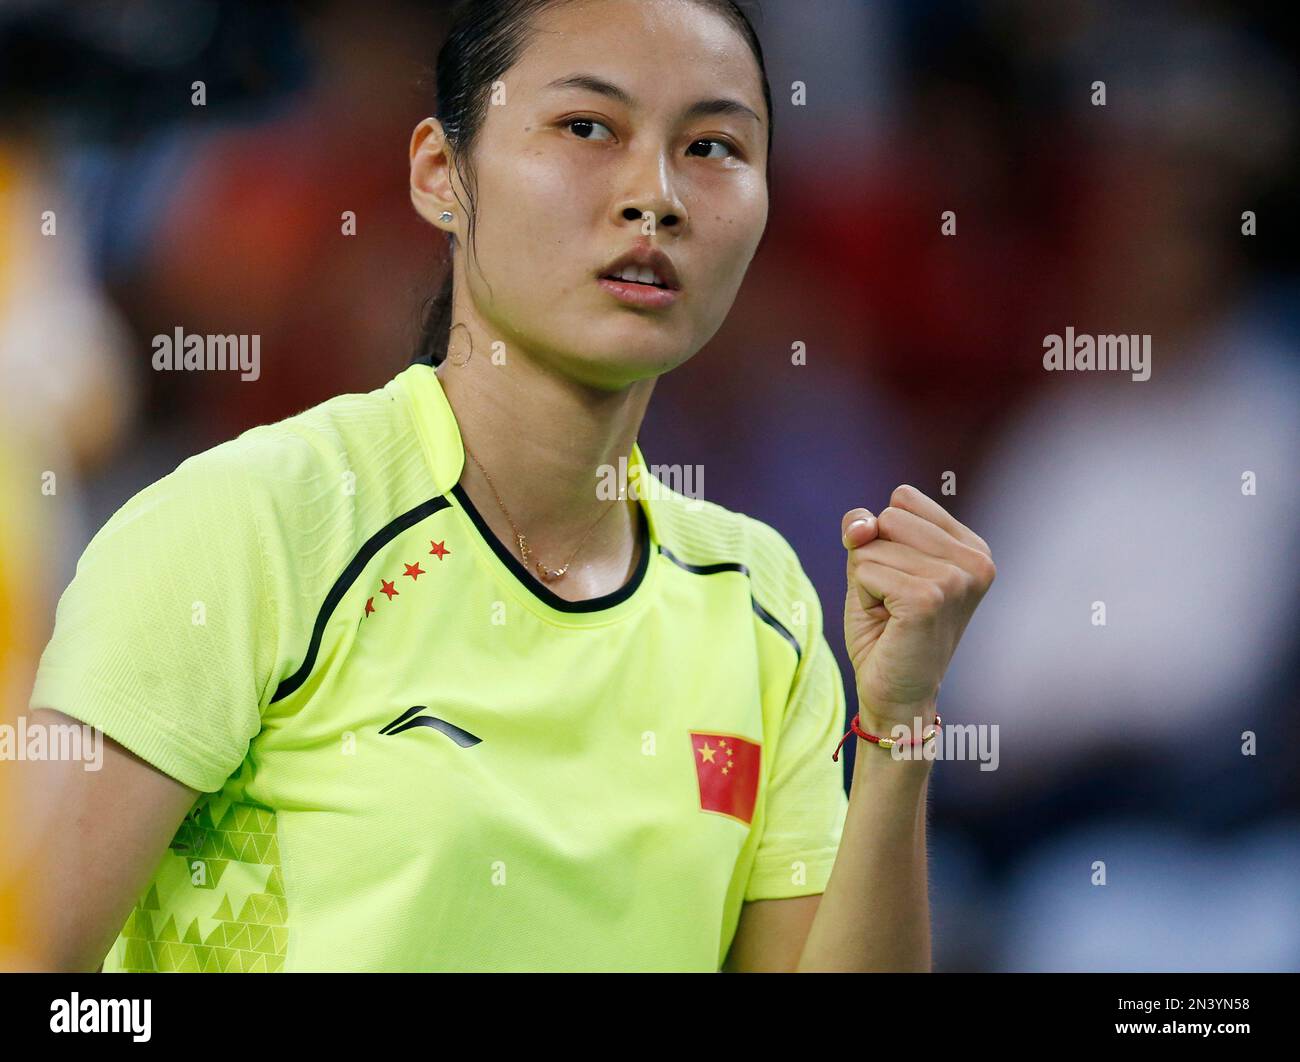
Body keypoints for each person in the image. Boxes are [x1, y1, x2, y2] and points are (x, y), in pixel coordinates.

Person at [18, 0, 994, 973]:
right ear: (442, 175)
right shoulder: (250, 526)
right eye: (585, 128)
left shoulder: (763, 599)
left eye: (712, 147)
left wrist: (898, 727)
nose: (653, 194)